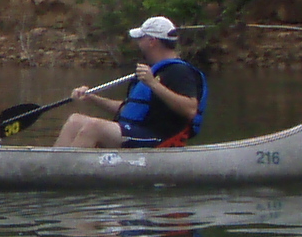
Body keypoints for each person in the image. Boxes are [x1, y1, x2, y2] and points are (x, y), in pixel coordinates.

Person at [55, 15, 206, 149]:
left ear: (152, 41)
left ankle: (65, 177)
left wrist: (153, 83)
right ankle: (49, 168)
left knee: (93, 127)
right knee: (75, 120)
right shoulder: (153, 71)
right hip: (136, 130)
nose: (138, 43)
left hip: (157, 137)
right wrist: (92, 97)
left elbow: (190, 110)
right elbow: (127, 109)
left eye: (141, 39)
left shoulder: (179, 71)